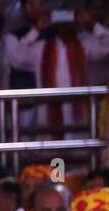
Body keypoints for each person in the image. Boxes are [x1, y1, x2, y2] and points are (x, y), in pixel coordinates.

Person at [8, 5, 109, 136]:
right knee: (53, 156)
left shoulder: (86, 44)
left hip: (79, 119)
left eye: (68, 20)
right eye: (60, 21)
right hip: (49, 119)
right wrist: (36, 30)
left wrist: (92, 25)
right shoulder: (41, 48)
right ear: (54, 25)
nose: (65, 25)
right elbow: (17, 58)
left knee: (80, 151)